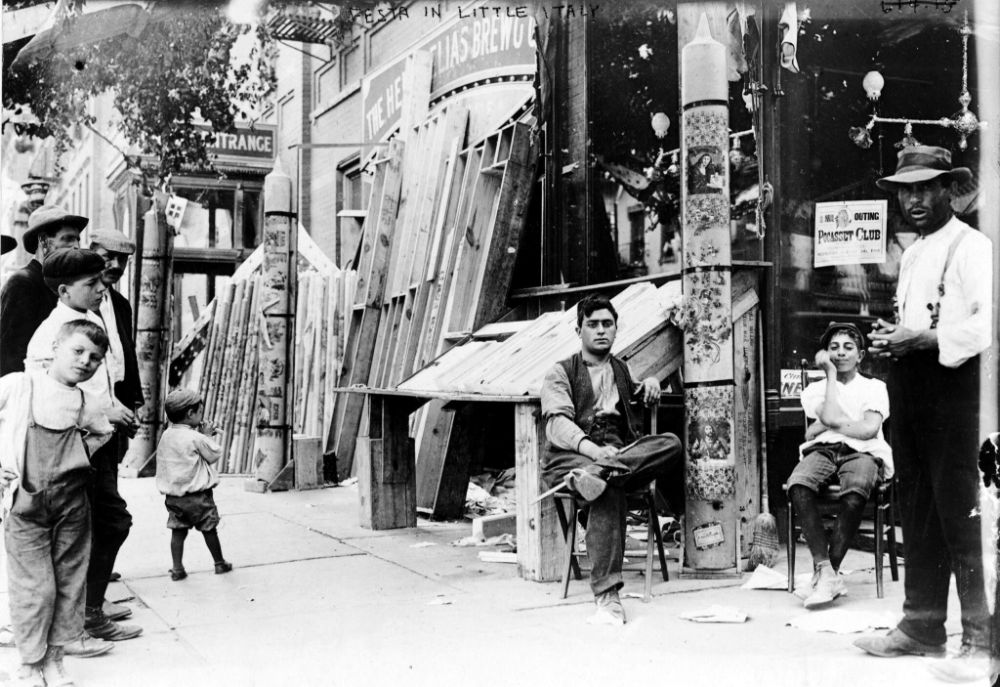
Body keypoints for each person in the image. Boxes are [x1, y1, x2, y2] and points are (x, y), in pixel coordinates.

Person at [854, 146, 993, 676]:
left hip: (955, 391)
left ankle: (981, 638)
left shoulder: (972, 246)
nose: (913, 199)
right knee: (918, 508)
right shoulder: (911, 253)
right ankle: (921, 626)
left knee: (962, 510)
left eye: (925, 187)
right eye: (905, 189)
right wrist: (894, 340)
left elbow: (983, 328)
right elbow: (912, 327)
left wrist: (922, 339)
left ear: (946, 190)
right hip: (910, 387)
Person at [540, 293, 683, 625]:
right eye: (592, 324)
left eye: (607, 324)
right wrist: (592, 451)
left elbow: (635, 394)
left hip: (620, 458)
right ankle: (607, 596)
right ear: (579, 331)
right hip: (572, 459)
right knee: (608, 488)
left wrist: (649, 383)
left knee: (670, 443)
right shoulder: (560, 372)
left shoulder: (621, 369)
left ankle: (600, 474)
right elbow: (557, 424)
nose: (601, 330)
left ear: (616, 328)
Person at [24, 248, 143, 643]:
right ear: (63, 290)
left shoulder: (88, 320)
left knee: (100, 525)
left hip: (98, 443)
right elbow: (51, 397)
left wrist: (115, 408)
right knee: (107, 523)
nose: (100, 288)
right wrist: (104, 410)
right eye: (90, 283)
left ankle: (89, 608)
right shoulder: (52, 335)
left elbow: (99, 383)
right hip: (72, 448)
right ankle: (85, 616)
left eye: (101, 281)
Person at [0, 320, 117, 687]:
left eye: (95, 358)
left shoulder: (86, 401)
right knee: (36, 588)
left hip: (72, 508)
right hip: (25, 505)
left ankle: (54, 659)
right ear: (55, 347)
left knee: (69, 585)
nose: (85, 361)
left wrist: (80, 452)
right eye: (78, 351)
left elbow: (102, 430)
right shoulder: (20, 386)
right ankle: (29, 663)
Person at [787, 322, 892, 609]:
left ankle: (827, 574)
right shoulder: (814, 390)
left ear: (860, 355)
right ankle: (825, 570)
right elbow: (826, 423)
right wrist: (831, 378)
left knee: (856, 490)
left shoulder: (875, 387)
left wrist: (830, 423)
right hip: (822, 450)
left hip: (864, 452)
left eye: (848, 348)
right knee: (798, 485)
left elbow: (869, 430)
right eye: (834, 348)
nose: (840, 353)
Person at [87, 229, 144, 623]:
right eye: (107, 257)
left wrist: (134, 401)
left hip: (115, 416)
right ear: (91, 254)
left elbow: (125, 354)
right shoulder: (76, 303)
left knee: (107, 496)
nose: (114, 266)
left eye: (121, 260)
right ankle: (91, 598)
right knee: (104, 510)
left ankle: (97, 580)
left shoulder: (119, 303)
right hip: (88, 420)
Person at [0, 205, 87, 375]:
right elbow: (10, 356)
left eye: (77, 239)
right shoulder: (23, 283)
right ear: (43, 241)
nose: (76, 246)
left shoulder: (60, 285)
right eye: (67, 239)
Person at [156, 389, 233, 580]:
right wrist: (206, 435)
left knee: (178, 531)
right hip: (198, 496)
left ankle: (177, 569)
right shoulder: (195, 437)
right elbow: (213, 454)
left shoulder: (166, 435)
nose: (201, 416)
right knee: (209, 529)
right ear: (190, 413)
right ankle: (219, 563)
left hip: (174, 496)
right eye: (200, 412)